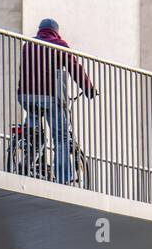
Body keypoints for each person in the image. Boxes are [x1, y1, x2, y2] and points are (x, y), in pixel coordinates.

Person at [16, 18, 97, 185]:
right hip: (50, 98)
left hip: (25, 97)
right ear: (55, 31)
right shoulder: (58, 45)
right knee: (60, 139)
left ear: (40, 30)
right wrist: (88, 88)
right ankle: (63, 179)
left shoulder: (28, 45)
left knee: (33, 134)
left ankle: (26, 161)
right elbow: (76, 69)